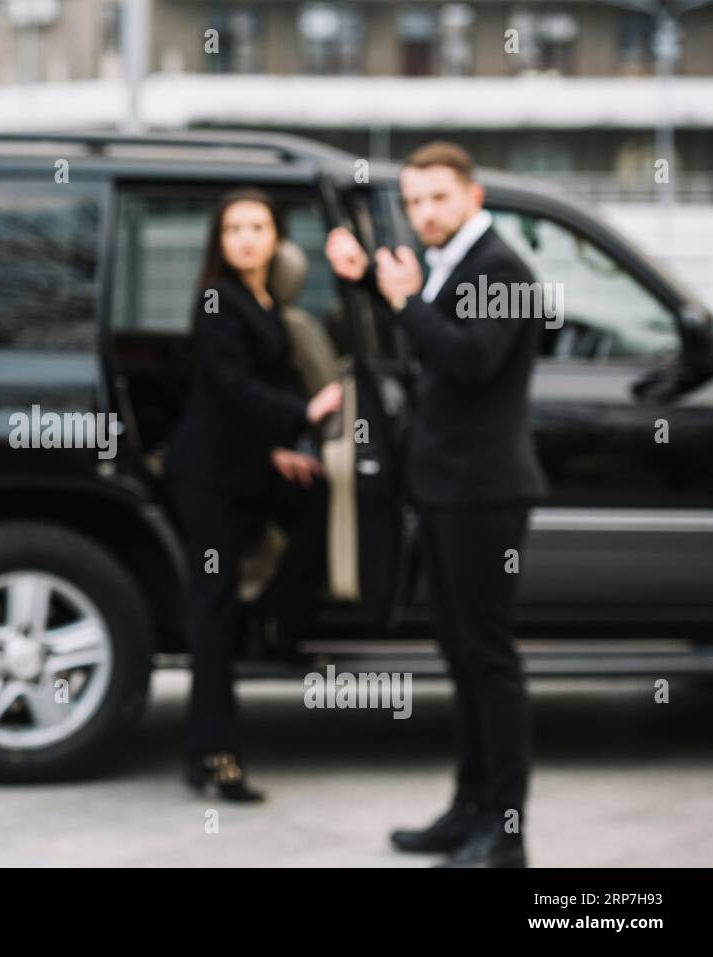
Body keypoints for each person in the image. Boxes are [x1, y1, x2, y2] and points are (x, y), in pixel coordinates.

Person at [325, 141, 549, 867]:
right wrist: (368, 287)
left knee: (488, 658)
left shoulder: (504, 269)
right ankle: (469, 806)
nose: (423, 212)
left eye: (438, 199)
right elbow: (425, 338)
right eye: (415, 200)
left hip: (485, 494)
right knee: (459, 653)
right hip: (447, 489)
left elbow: (469, 358)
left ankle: (506, 830)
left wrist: (402, 299)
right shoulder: (457, 266)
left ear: (473, 198)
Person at [163, 188, 343, 803]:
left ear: (276, 239)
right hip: (207, 474)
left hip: (248, 462)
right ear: (221, 239)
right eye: (234, 228)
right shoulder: (219, 299)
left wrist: (276, 448)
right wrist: (306, 412)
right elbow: (229, 387)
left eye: (258, 227)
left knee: (319, 500)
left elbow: (245, 394)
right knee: (212, 611)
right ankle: (214, 758)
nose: (245, 237)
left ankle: (273, 620)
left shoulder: (265, 298)